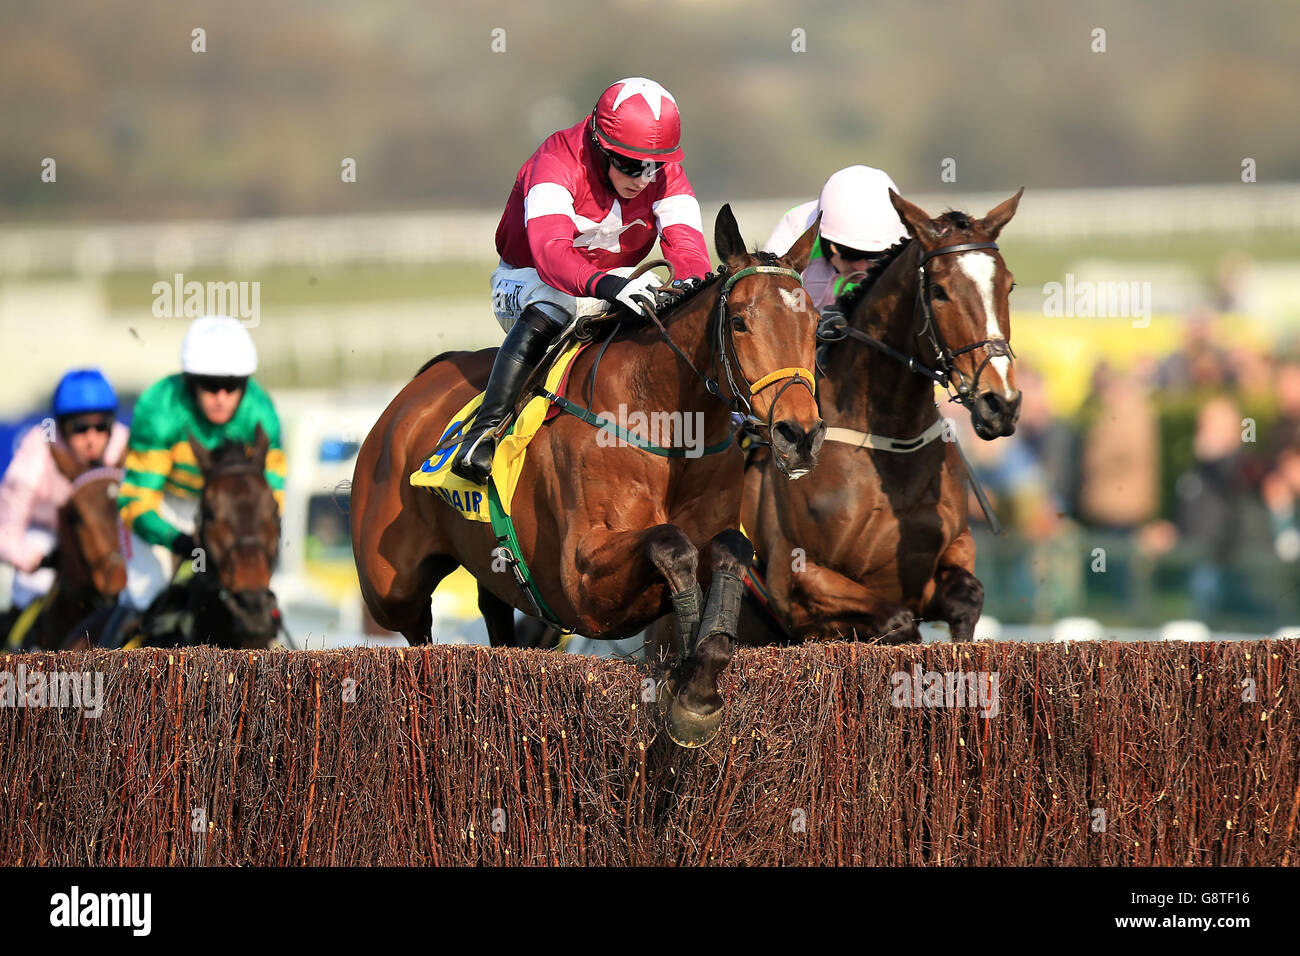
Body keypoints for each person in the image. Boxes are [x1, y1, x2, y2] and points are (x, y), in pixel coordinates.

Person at [451, 77, 712, 483]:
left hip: (613, 280)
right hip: (528, 278)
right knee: (556, 304)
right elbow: (551, 253)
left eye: (654, 166)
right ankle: (486, 430)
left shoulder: (667, 175)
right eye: (630, 165)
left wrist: (691, 287)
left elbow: (690, 250)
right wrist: (609, 286)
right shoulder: (555, 162)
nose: (644, 178)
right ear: (600, 144)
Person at [117, 315, 286, 616]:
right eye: (210, 385)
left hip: (227, 514)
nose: (221, 398)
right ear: (191, 382)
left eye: (232, 385)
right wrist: (182, 542)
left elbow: (270, 498)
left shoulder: (261, 413)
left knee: (259, 595)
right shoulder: (159, 410)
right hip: (165, 505)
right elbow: (138, 502)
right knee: (147, 592)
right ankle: (119, 647)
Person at [0, 369, 128, 631]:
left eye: (101, 426)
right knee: (33, 586)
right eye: (80, 428)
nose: (92, 439)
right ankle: (14, 644)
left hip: (104, 537)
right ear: (61, 426)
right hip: (47, 536)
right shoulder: (39, 444)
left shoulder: (123, 442)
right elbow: (6, 528)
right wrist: (28, 558)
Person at [762, 165, 909, 312]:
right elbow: (772, 305)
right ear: (826, 239)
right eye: (851, 255)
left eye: (875, 257)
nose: (861, 267)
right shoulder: (796, 230)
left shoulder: (904, 240)